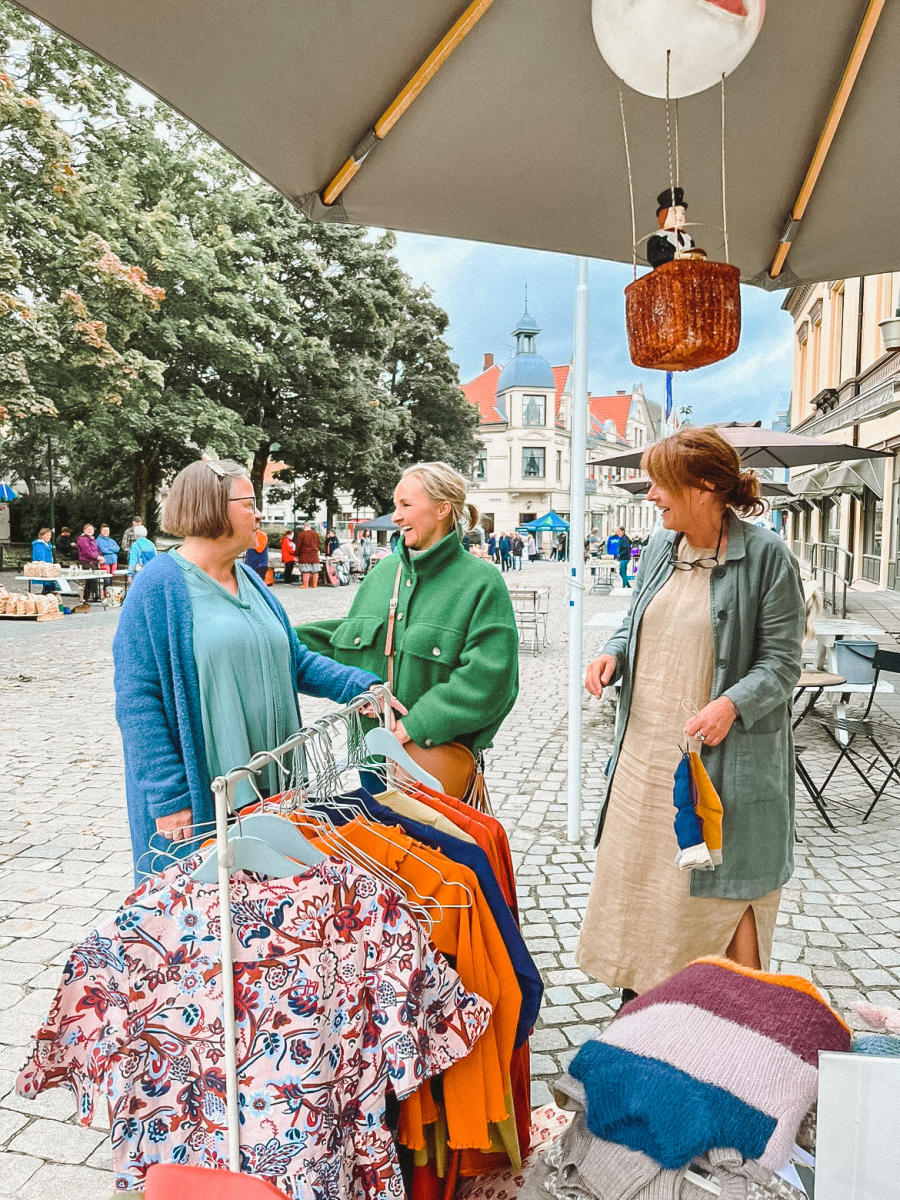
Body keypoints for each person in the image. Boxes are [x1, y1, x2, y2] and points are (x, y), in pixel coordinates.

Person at [577, 426, 804, 1001]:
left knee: (715, 894)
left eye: (660, 484)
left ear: (704, 487)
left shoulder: (767, 556)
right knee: (644, 895)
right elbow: (634, 623)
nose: (650, 495)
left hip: (719, 767)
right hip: (644, 760)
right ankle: (644, 1018)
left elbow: (782, 664)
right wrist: (613, 653)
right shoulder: (659, 548)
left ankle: (724, 1031)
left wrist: (732, 703)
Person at [113, 458, 394, 881]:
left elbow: (294, 659)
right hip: (205, 792)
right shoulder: (159, 586)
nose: (259, 514)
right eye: (250, 503)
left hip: (270, 775)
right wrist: (170, 798)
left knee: (265, 907)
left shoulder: (248, 577)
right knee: (204, 918)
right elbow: (138, 700)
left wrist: (360, 685)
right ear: (212, 507)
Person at [296, 461, 519, 799]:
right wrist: (272, 638)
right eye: (395, 505)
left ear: (443, 508)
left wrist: (415, 727)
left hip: (434, 768)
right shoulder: (382, 573)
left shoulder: (481, 581)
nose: (396, 516)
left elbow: (491, 680)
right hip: (371, 764)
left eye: (406, 505)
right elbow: (343, 640)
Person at [77, 523, 102, 600]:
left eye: (91, 529)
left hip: (94, 561)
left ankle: (87, 596)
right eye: (88, 529)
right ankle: (93, 596)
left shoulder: (93, 539)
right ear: (84, 530)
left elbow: (98, 549)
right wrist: (97, 557)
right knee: (91, 579)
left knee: (91, 580)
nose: (90, 531)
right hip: (86, 561)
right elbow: (87, 551)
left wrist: (101, 556)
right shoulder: (83, 539)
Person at [31, 527, 58, 594]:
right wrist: (46, 567)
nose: (49, 537)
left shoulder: (47, 545)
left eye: (50, 535)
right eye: (47, 535)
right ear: (42, 535)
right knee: (47, 588)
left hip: (48, 569)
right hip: (44, 569)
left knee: (50, 588)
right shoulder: (39, 545)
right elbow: (40, 558)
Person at [295, 522, 321, 588]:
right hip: (314, 555)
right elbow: (318, 543)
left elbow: (298, 546)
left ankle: (305, 584)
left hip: (305, 555)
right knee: (315, 570)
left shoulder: (301, 534)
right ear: (310, 526)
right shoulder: (315, 534)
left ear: (304, 527)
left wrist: (296, 554)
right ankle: (315, 584)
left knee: (306, 570)